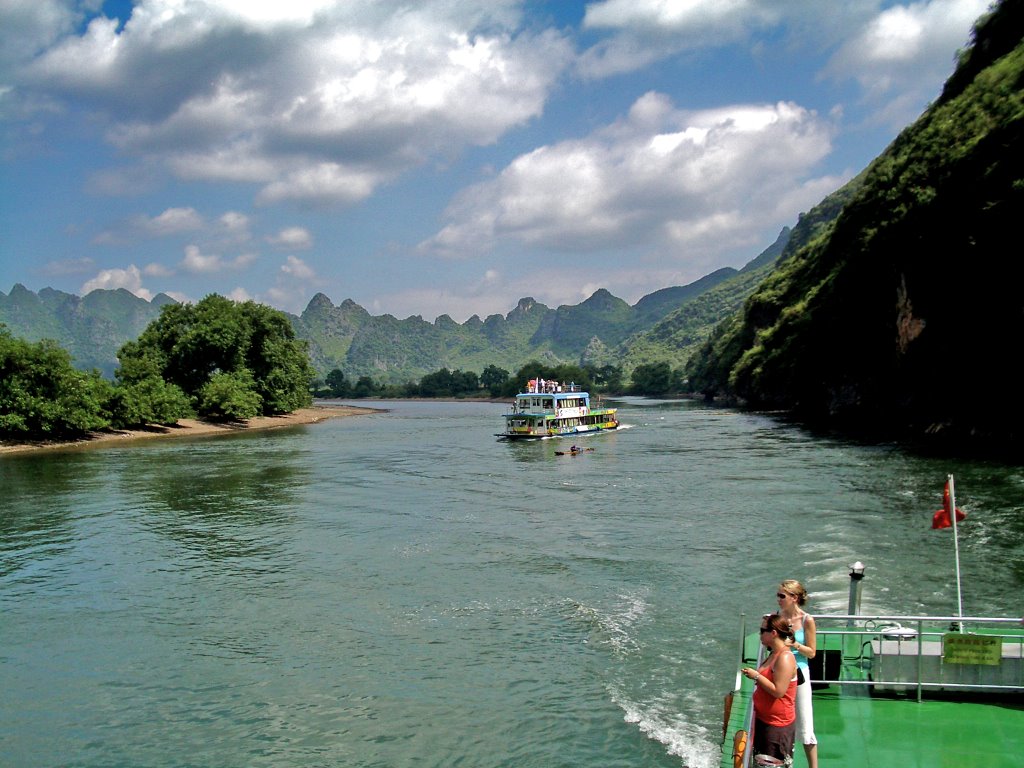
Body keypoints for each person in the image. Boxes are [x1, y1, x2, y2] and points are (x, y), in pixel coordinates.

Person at [741, 613, 797, 765]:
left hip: (776, 727)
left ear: (773, 633)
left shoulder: (784, 658)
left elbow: (779, 691)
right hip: (764, 720)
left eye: (762, 631)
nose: (759, 634)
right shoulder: (773, 654)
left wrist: (756, 676)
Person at [777, 580, 818, 768]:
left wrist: (795, 645)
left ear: (794, 598)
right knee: (783, 720)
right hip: (781, 670)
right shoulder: (777, 617)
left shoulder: (806, 620)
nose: (778, 599)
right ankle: (786, 762)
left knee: (805, 720)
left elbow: (812, 652)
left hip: (800, 671)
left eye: (782, 596)